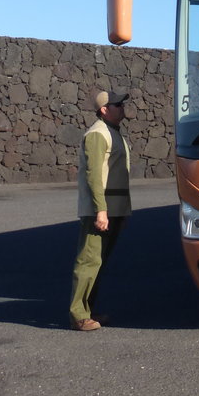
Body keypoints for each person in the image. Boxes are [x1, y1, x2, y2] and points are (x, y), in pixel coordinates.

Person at [69, 90, 132, 331]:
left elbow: (119, 175)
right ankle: (78, 315)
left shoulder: (115, 134)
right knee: (88, 261)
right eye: (117, 104)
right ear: (104, 109)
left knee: (99, 263)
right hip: (99, 211)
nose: (121, 107)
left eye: (122, 104)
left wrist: (124, 212)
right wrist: (101, 211)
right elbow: (94, 175)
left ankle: (88, 311)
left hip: (113, 210)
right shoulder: (97, 134)